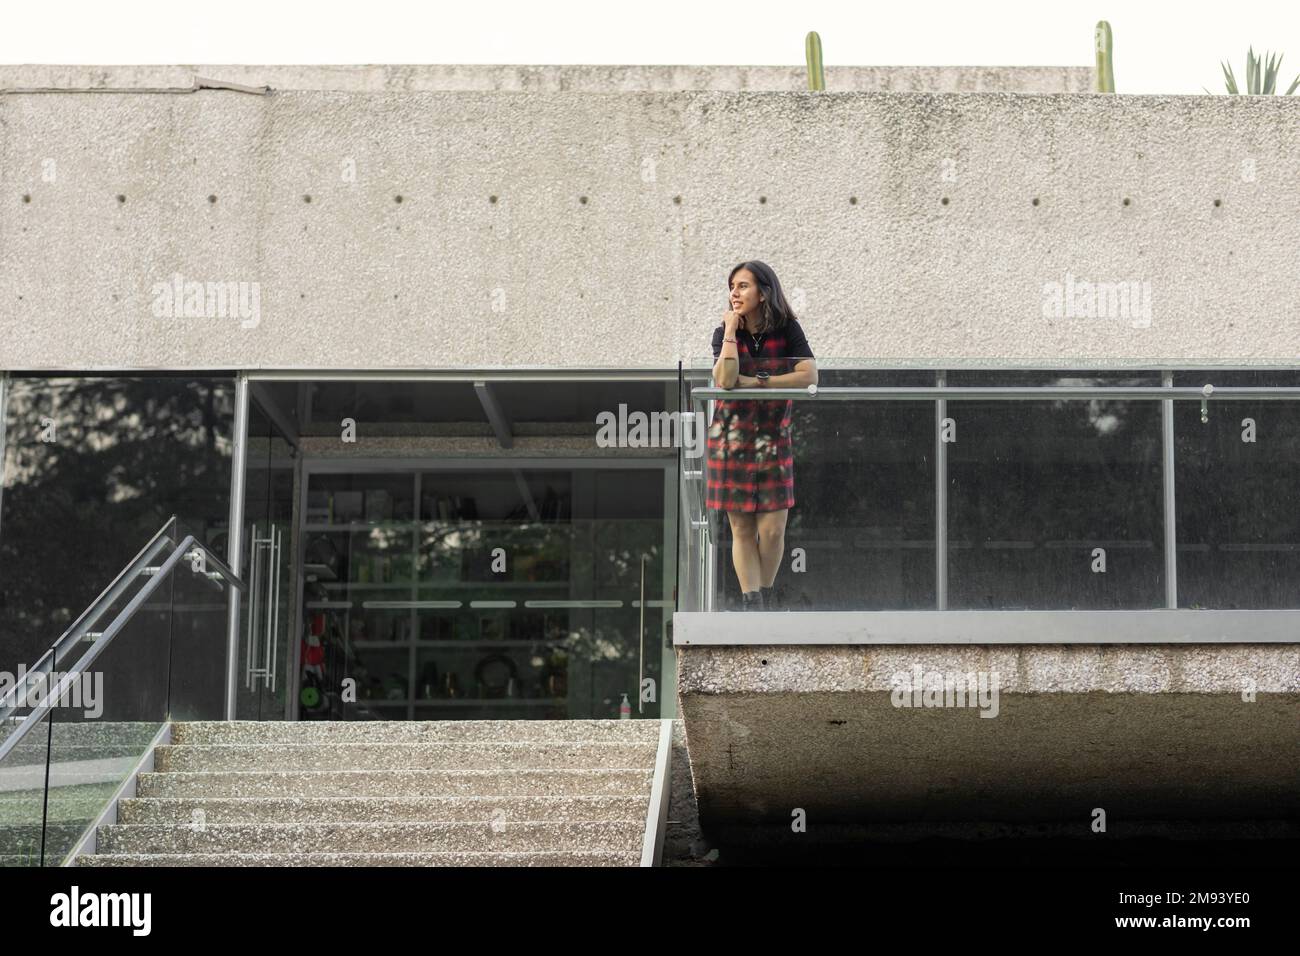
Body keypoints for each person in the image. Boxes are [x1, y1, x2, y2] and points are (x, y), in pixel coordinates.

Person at [707, 261, 818, 611]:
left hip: (773, 437)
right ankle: (752, 604)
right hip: (730, 441)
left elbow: (809, 374)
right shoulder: (724, 333)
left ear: (763, 292)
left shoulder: (787, 330)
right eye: (732, 287)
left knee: (772, 531)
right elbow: (724, 380)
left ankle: (765, 596)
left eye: (742, 286)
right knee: (741, 530)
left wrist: (759, 382)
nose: (734, 294)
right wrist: (729, 331)